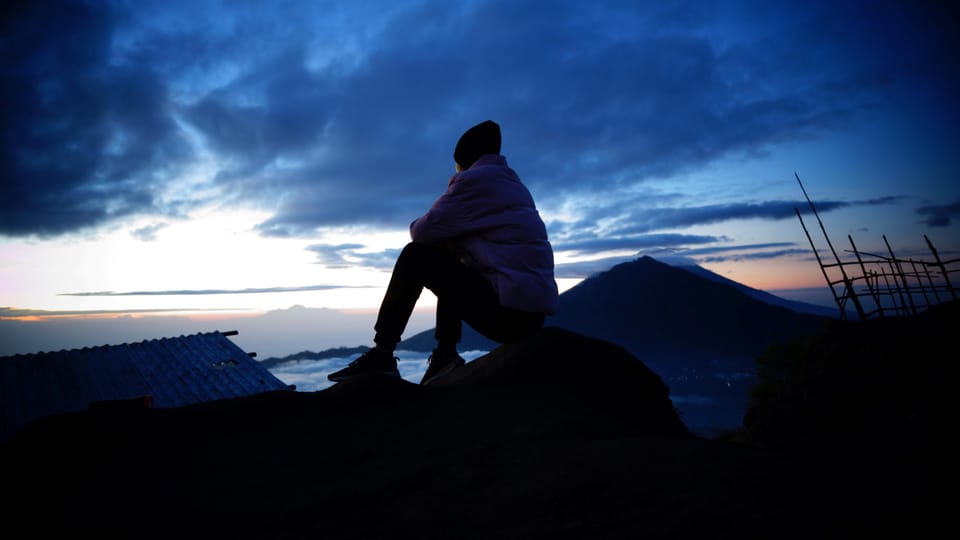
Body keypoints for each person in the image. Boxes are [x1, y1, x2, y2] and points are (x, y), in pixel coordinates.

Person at [328, 120, 559, 385]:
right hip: (530, 315)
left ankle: (383, 353)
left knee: (415, 255)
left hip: (509, 316)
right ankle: (444, 356)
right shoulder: (512, 185)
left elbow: (421, 231)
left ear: (464, 160)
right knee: (450, 254)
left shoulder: (475, 182)